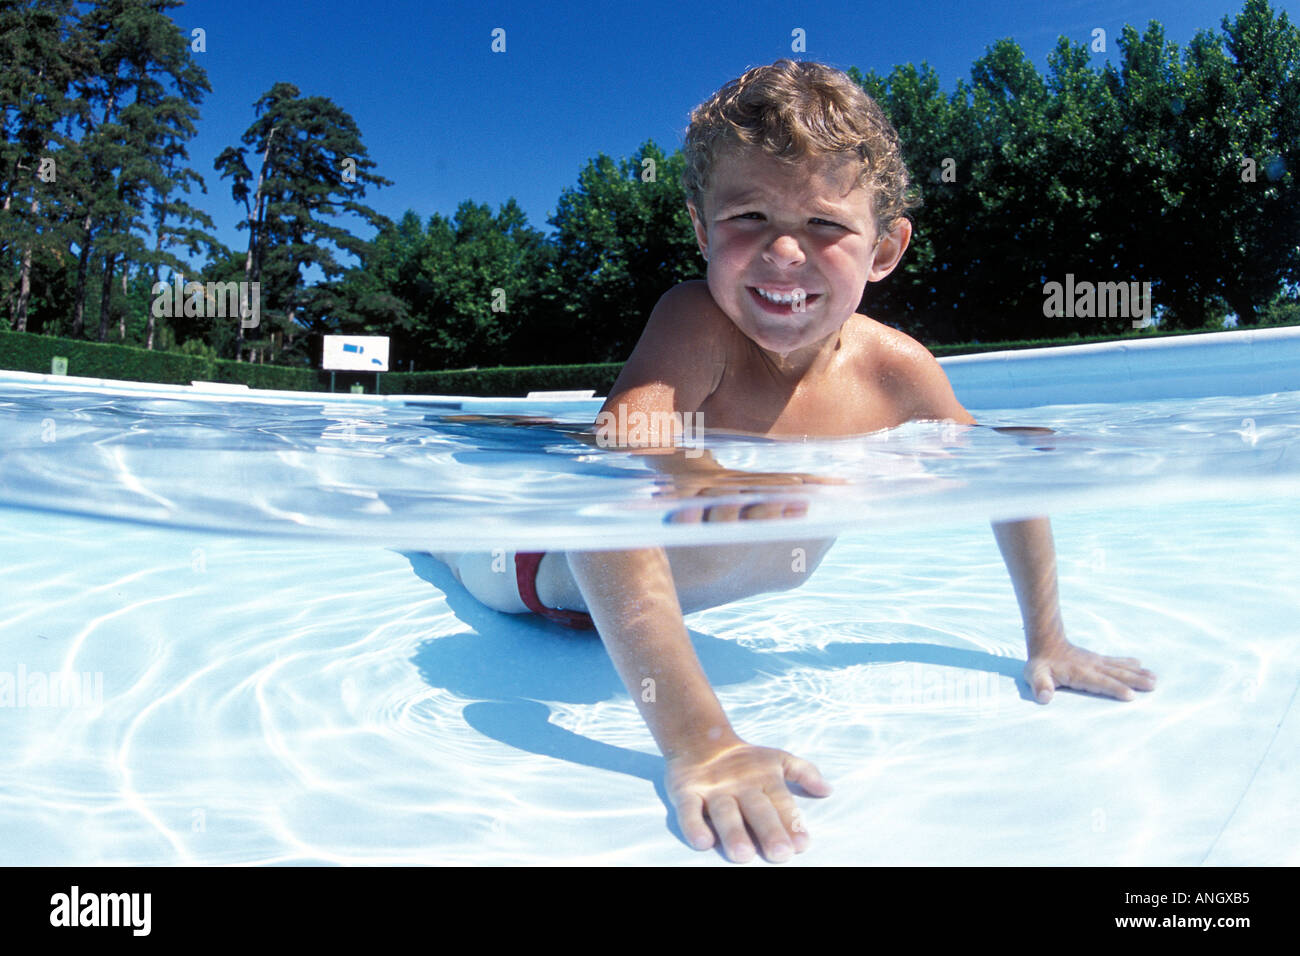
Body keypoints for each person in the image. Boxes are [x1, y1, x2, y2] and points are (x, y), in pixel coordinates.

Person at [437, 59, 1156, 863]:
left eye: (826, 225)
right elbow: (622, 451)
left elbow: (1005, 473)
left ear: (884, 249)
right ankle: (465, 443)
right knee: (442, 529)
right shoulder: (694, 325)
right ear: (702, 231)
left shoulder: (899, 374)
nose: (784, 251)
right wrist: (701, 744)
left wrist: (1048, 641)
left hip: (628, 596)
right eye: (748, 215)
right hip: (528, 573)